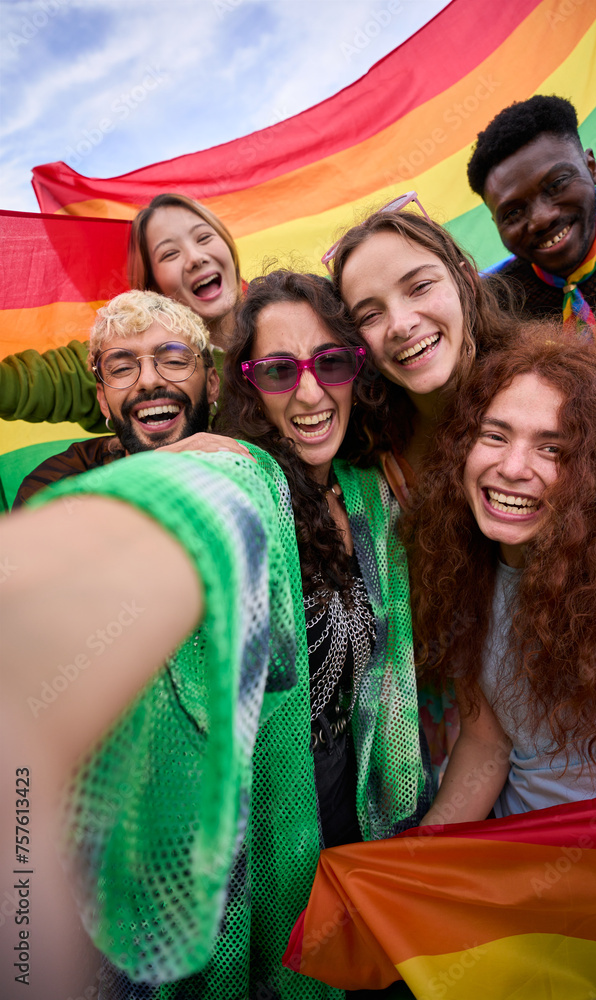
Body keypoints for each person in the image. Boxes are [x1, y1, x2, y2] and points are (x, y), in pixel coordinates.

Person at [3, 270, 429, 1000]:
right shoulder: (237, 482)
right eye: (274, 370)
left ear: (205, 380)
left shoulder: (374, 488)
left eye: (328, 362)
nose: (306, 390)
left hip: (370, 824)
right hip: (234, 840)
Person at [405, 320, 596, 825]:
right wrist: (421, 858)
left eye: (553, 449)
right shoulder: (458, 569)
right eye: (494, 435)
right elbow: (488, 742)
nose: (513, 466)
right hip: (523, 860)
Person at [467, 95, 596, 386]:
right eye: (513, 212)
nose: (541, 219)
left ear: (591, 166)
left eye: (557, 184)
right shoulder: (493, 309)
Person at [0, 193, 242, 433]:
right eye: (169, 254)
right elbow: (17, 384)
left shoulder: (276, 317)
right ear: (152, 287)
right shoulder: (117, 353)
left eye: (204, 237)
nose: (195, 258)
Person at [327, 196, 515, 505]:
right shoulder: (364, 455)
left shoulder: (553, 402)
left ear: (465, 280)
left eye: (420, 287)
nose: (401, 325)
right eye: (371, 316)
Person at [12, 289, 232, 507]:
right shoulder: (54, 487)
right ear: (104, 401)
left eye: (174, 361)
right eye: (122, 368)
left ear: (212, 384)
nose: (148, 380)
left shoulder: (247, 464)